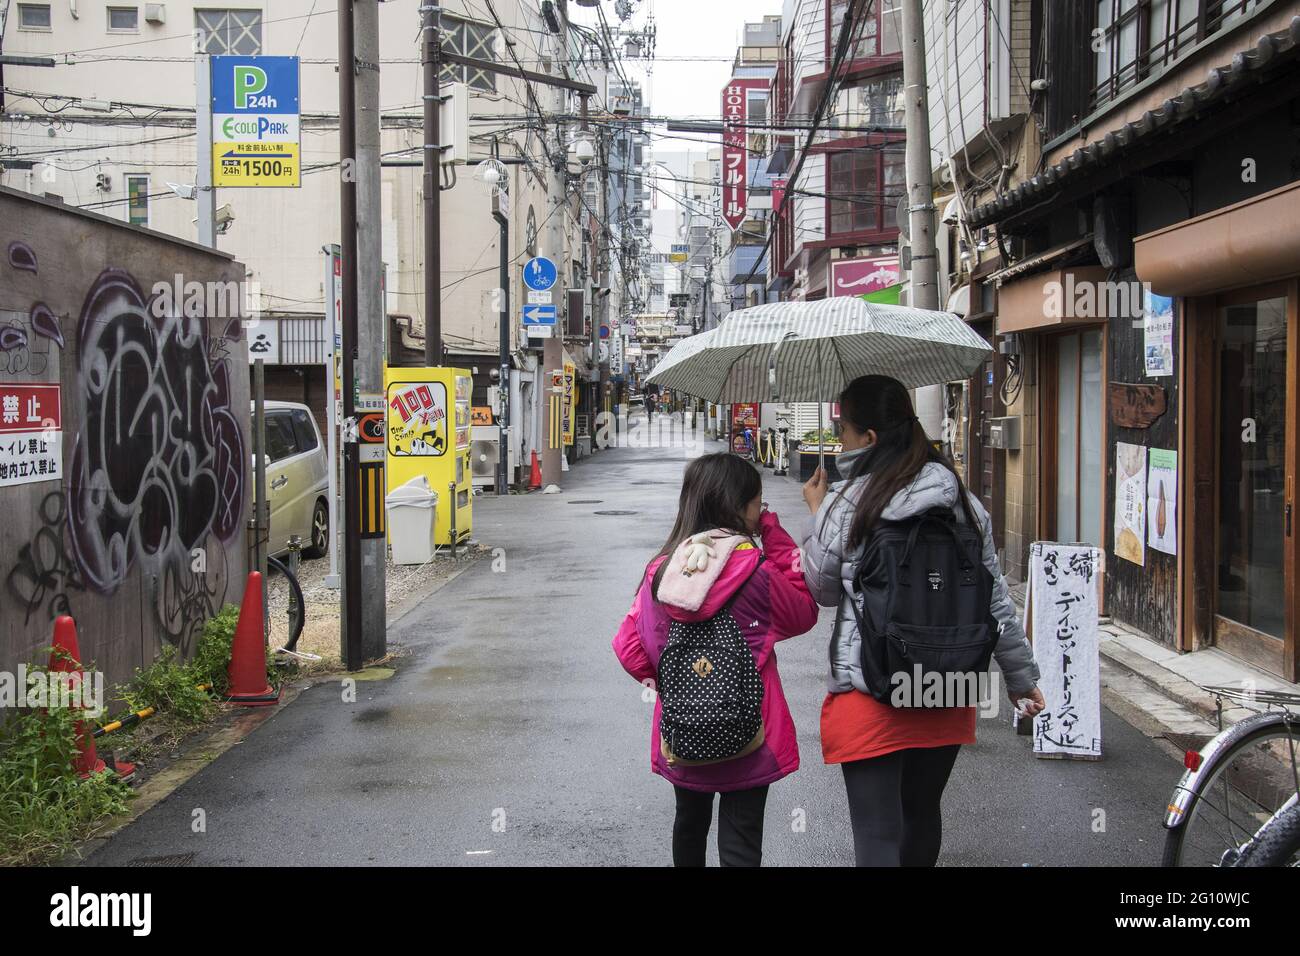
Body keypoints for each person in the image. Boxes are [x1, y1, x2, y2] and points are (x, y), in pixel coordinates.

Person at [800, 375, 1045, 867]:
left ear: (868, 439)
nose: (841, 441)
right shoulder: (964, 503)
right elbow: (995, 599)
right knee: (921, 815)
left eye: (844, 431)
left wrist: (817, 511)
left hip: (870, 684)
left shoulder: (848, 504)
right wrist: (1021, 679)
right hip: (945, 684)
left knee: (876, 832)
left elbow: (822, 590)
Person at [613, 452, 818, 866]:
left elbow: (630, 646)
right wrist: (773, 534)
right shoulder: (757, 570)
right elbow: (803, 611)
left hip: (684, 728)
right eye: (759, 502)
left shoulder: (662, 570)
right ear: (742, 506)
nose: (762, 510)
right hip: (750, 729)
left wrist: (679, 681)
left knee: (688, 824)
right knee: (741, 838)